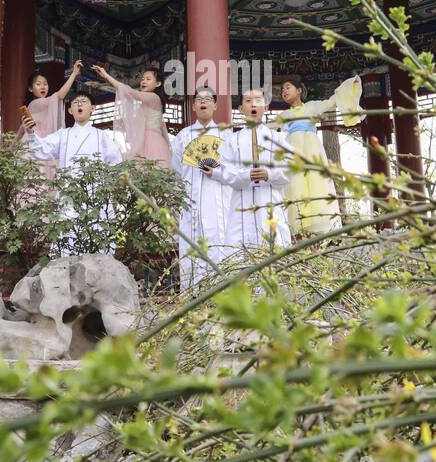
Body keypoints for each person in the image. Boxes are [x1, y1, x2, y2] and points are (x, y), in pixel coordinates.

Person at [22, 91, 123, 255]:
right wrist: (31, 133)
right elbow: (42, 150)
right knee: (67, 238)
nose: (80, 104)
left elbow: (116, 163)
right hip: (68, 194)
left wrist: (106, 186)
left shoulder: (102, 136)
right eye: (76, 102)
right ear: (70, 110)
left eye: (84, 101)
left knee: (97, 238)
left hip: (95, 194)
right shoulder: (63, 134)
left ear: (93, 109)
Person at [274, 74, 363, 237]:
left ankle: (315, 239)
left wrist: (350, 85)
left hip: (312, 153)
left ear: (299, 90)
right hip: (293, 155)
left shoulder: (312, 107)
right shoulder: (284, 116)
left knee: (316, 189)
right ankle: (297, 237)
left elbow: (332, 101)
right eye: (282, 90)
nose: (284, 92)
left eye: (287, 87)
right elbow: (265, 128)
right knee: (295, 189)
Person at [210, 88, 292, 251]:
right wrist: (245, 175)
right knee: (238, 248)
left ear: (266, 107)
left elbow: (291, 168)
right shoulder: (232, 140)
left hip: (270, 200)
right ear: (240, 109)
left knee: (274, 245)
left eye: (258, 100)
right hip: (241, 202)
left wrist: (270, 174)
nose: (253, 104)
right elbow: (225, 171)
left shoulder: (278, 139)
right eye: (248, 101)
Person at [170, 88, 232, 292]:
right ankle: (191, 296)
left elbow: (234, 170)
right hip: (191, 199)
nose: (203, 102)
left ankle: (221, 295)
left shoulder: (226, 135)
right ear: (193, 106)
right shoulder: (183, 135)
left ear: (215, 105)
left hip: (219, 198)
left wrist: (217, 172)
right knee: (191, 246)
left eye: (208, 99)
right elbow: (176, 170)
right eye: (199, 99)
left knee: (219, 243)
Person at [92, 63, 172, 165]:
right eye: (142, 79)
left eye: (148, 79)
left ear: (158, 84)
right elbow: (162, 127)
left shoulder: (153, 97)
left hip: (152, 142)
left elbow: (128, 91)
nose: (143, 81)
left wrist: (106, 75)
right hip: (148, 140)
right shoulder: (149, 101)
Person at [25, 61, 82, 178]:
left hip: (36, 145)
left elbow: (22, 128)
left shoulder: (31, 106)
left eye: (45, 84)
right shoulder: (37, 103)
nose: (43, 87)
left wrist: (12, 146)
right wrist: (74, 74)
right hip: (39, 145)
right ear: (30, 89)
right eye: (38, 84)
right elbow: (60, 95)